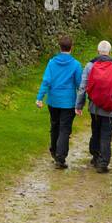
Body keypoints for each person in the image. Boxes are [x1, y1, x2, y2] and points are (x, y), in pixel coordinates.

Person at [75, 40, 112, 173]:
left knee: (96, 131)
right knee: (106, 135)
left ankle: (95, 156)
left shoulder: (90, 66)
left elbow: (83, 87)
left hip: (95, 107)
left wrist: (79, 105)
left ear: (98, 51)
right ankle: (103, 163)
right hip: (111, 109)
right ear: (110, 52)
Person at [36, 35, 83, 168]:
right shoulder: (76, 65)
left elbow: (46, 81)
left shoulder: (51, 63)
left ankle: (54, 151)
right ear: (71, 48)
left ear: (60, 47)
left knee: (55, 126)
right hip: (68, 102)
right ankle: (60, 158)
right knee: (64, 129)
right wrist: (81, 103)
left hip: (53, 101)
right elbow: (80, 85)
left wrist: (40, 98)